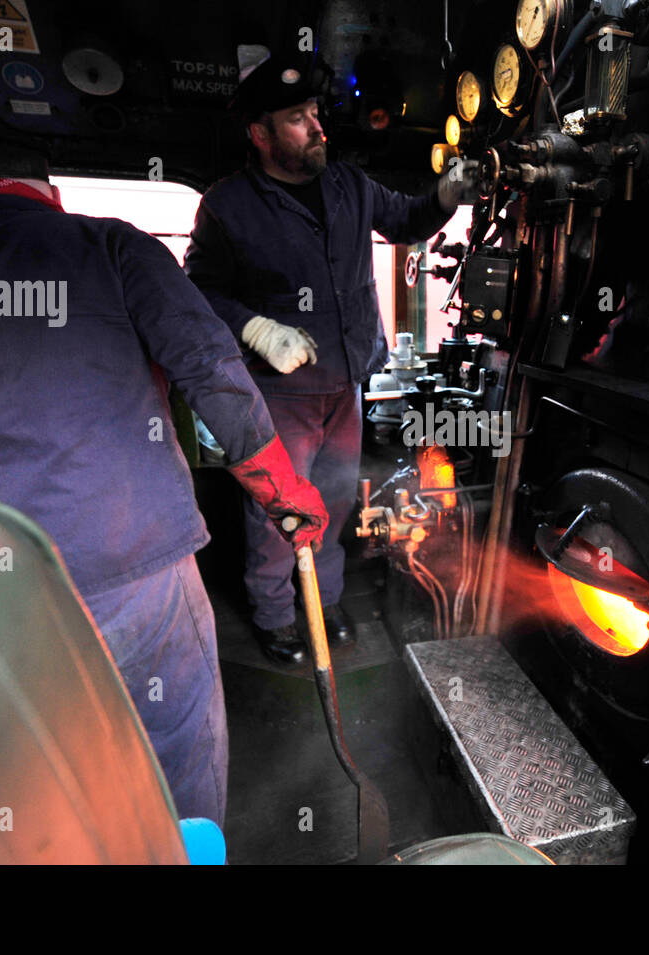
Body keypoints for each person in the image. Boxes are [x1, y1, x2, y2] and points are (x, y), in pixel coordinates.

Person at [0, 125, 329, 828]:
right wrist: (282, 490)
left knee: (48, 775)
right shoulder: (114, 247)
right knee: (180, 760)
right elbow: (213, 373)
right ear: (51, 190)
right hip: (141, 568)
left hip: (2, 593)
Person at [185, 52, 477, 665]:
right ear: (260, 134)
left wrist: (445, 194)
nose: (318, 127)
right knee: (278, 510)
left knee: (336, 497)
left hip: (346, 382)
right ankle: (272, 615)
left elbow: (407, 221)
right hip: (278, 392)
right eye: (297, 117)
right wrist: (257, 327)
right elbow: (200, 291)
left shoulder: (348, 185)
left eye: (316, 113)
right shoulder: (228, 205)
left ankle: (326, 597)